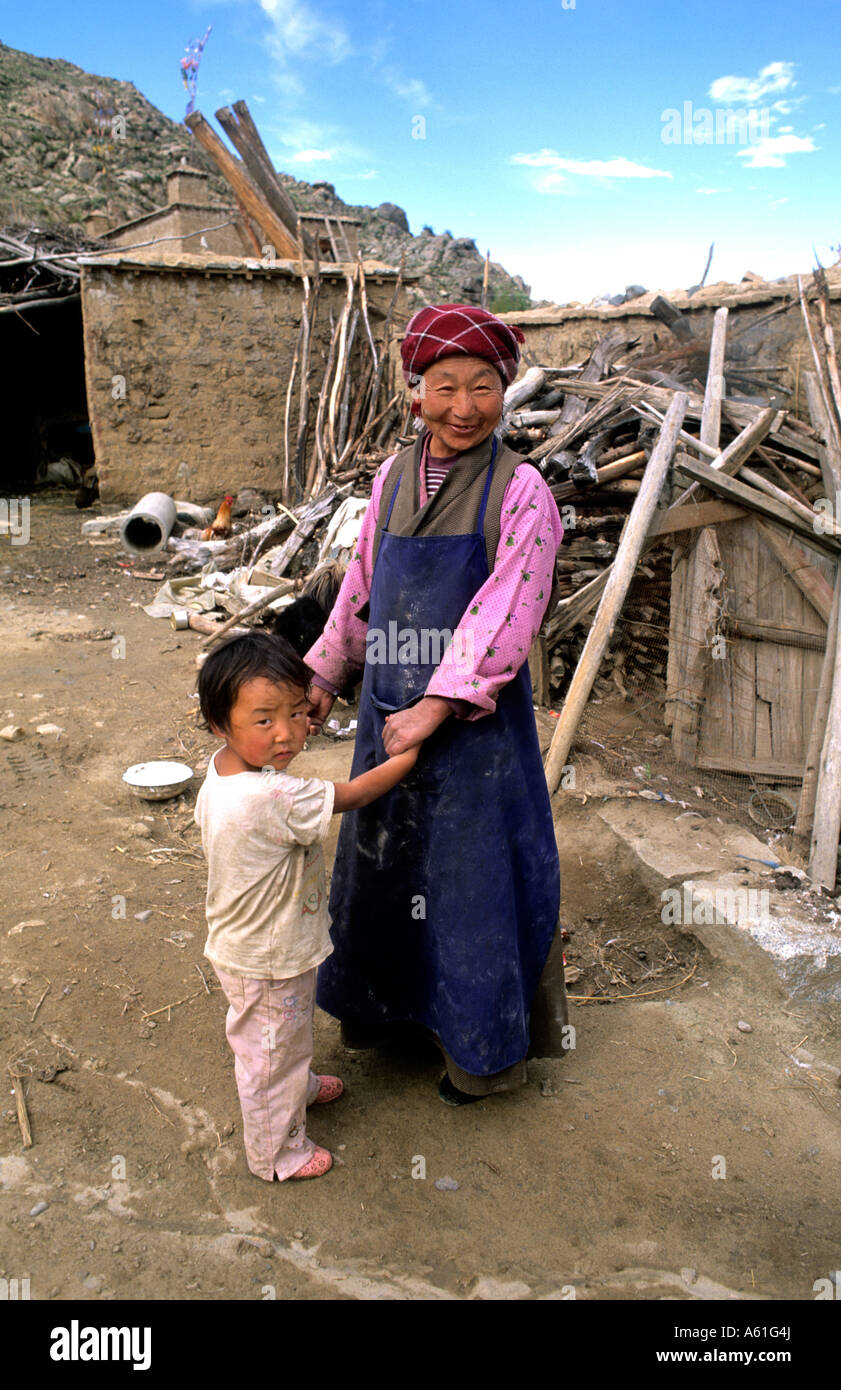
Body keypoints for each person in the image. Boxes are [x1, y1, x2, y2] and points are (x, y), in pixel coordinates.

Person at [304, 303, 568, 1105]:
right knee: (387, 873)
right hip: (388, 708)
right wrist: (325, 671)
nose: (463, 407)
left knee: (467, 883)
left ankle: (479, 1056)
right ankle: (385, 1020)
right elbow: (362, 586)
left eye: (482, 387)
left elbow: (505, 612)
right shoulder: (389, 478)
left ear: (506, 389)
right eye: (443, 387)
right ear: (415, 393)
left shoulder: (520, 493)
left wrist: (439, 704)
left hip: (473, 732)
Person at [195, 630, 417, 1179]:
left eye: (297, 713)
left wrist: (274, 723)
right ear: (221, 725)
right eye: (264, 720)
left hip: (252, 944)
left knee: (281, 1036)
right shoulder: (275, 797)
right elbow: (356, 794)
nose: (287, 733)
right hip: (268, 956)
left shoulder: (224, 768)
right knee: (270, 1056)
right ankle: (276, 1154)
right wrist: (411, 753)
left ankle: (301, 1083)